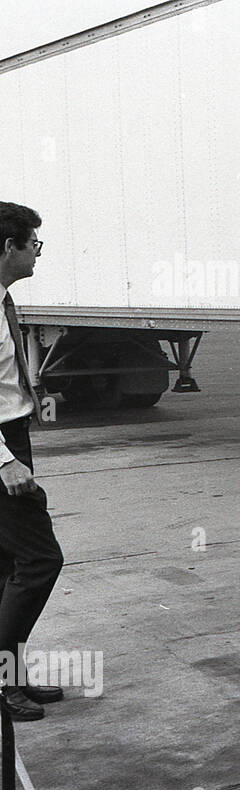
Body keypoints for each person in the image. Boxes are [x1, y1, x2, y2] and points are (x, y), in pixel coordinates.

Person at [0, 202, 64, 722]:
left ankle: (12, 677)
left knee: (7, 567)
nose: (37, 253)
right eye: (33, 244)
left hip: (13, 433)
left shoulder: (3, 302)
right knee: (41, 559)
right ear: (8, 247)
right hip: (1, 447)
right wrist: (5, 462)